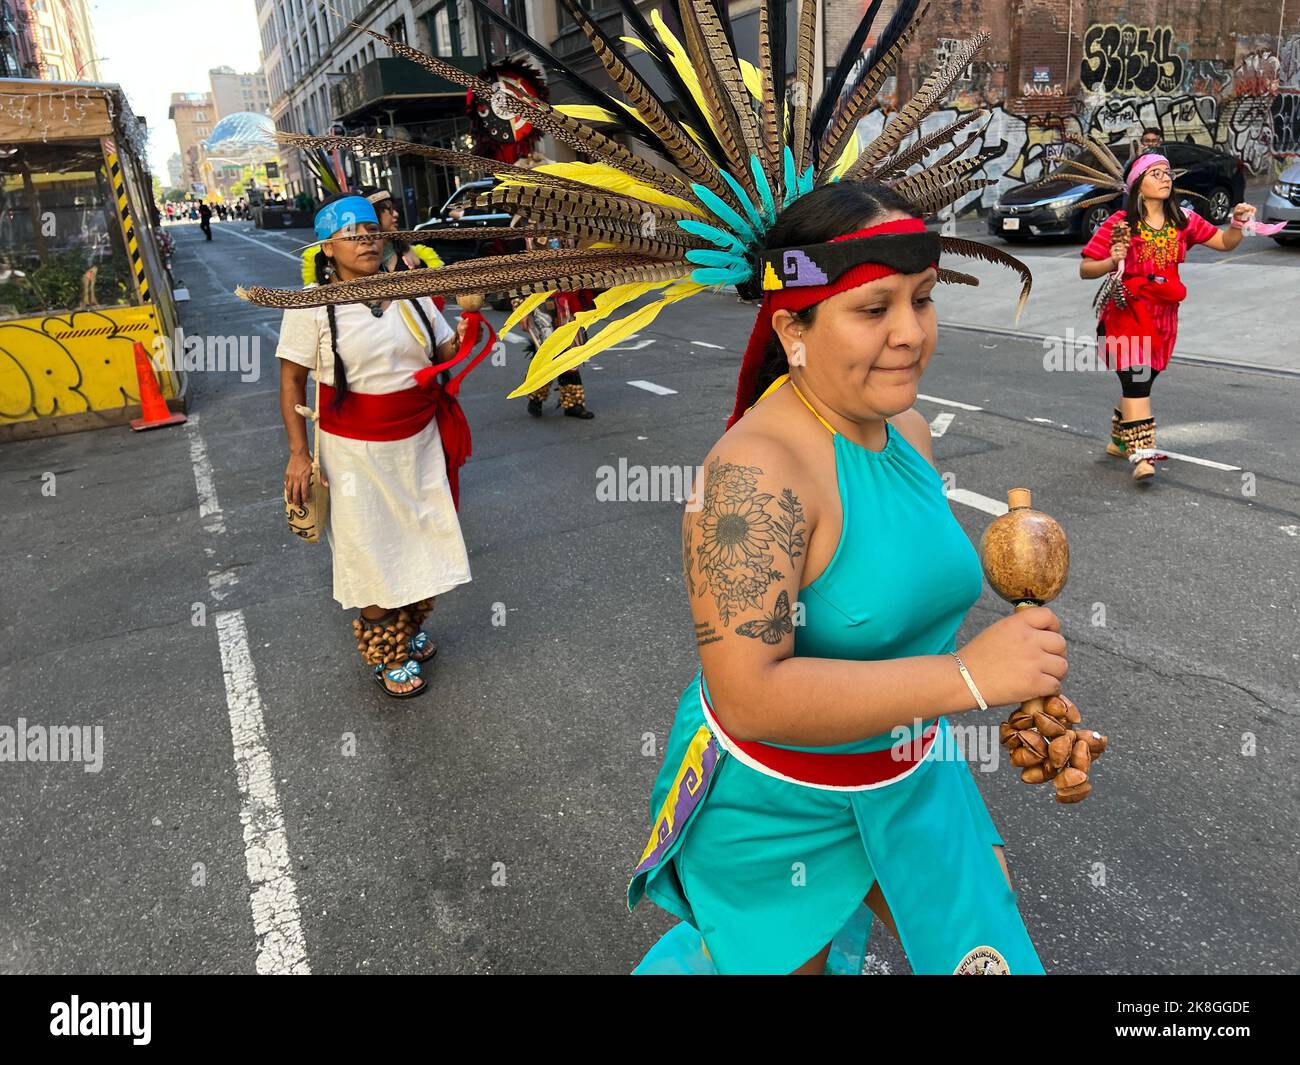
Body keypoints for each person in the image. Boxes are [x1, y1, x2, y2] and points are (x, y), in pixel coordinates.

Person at [276, 194, 472, 698]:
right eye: (351, 235)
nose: (365, 241)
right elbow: (292, 380)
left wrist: (468, 324)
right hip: (352, 454)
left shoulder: (411, 292)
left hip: (419, 441)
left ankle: (407, 627)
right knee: (369, 547)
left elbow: (444, 352)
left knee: (421, 536)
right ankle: (389, 651)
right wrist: (298, 453)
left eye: (371, 231)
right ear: (327, 247)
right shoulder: (310, 306)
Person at [1079, 151, 1257, 481]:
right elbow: (1086, 268)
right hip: (1124, 315)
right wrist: (1111, 261)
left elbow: (1224, 242)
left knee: (1141, 381)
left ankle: (1119, 440)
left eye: (1167, 173)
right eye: (1156, 173)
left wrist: (1238, 223)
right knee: (1137, 380)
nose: (1165, 179)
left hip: (1163, 317)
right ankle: (1143, 456)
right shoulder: (1119, 224)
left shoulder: (1183, 220)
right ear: (1137, 184)